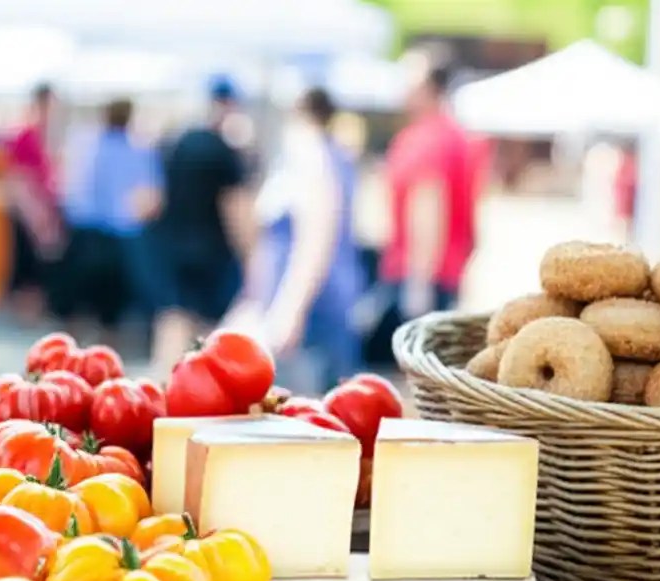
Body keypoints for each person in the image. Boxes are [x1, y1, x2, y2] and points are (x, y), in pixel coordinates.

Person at [225, 88, 362, 394]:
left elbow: (316, 235)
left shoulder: (309, 155)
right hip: (312, 300)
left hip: (313, 306)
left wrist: (291, 309)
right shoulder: (328, 154)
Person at [148, 76, 257, 377]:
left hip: (172, 247)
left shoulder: (177, 143)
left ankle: (163, 395)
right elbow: (235, 209)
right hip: (211, 253)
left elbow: (155, 199)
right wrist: (251, 258)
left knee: (173, 323)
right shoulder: (223, 152)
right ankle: (198, 398)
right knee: (208, 337)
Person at [381, 65, 478, 323]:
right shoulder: (455, 135)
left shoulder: (427, 140)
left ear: (428, 89)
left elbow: (428, 208)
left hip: (421, 276)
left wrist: (418, 281)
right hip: (445, 274)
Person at [59, 98, 161, 343]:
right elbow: (151, 197)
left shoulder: (86, 145)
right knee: (112, 308)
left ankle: (68, 356)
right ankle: (106, 360)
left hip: (87, 231)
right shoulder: (140, 151)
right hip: (121, 234)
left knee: (77, 301)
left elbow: (72, 191)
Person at [5, 82, 63, 324]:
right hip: (29, 209)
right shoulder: (26, 135)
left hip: (42, 206)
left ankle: (32, 310)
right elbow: (19, 179)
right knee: (27, 261)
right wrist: (36, 215)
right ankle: (25, 311)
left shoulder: (45, 136)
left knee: (38, 263)